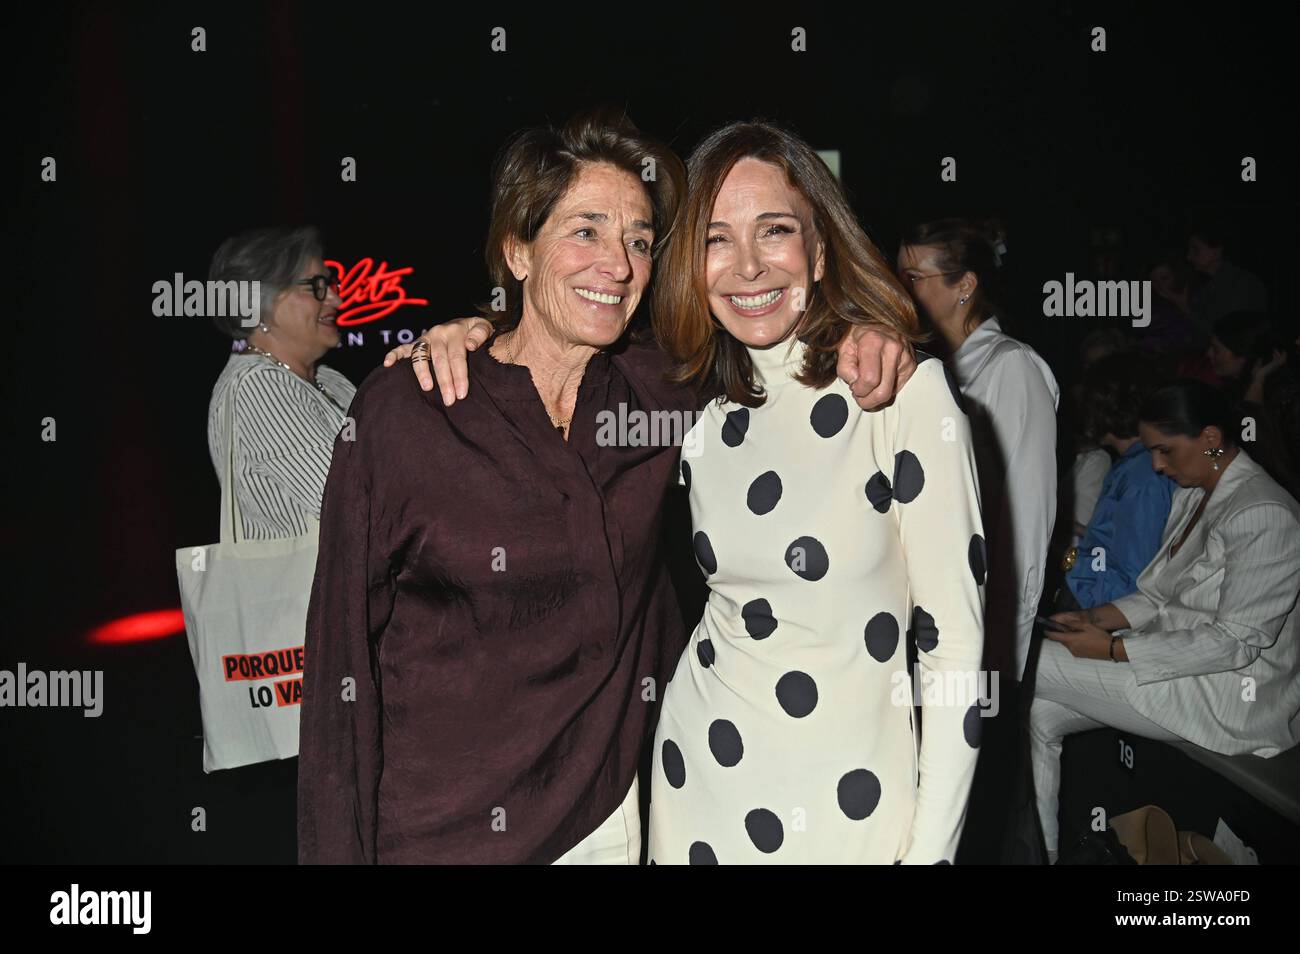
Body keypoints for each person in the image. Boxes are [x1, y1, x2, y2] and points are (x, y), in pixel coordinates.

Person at [299, 110, 915, 865]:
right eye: (585, 231)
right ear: (517, 251)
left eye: (638, 241)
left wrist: (859, 330)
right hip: (437, 833)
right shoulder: (410, 414)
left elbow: (772, 335)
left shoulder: (659, 394)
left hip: (601, 824)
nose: (618, 265)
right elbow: (338, 663)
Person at [644, 122, 985, 864]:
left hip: (850, 812)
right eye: (714, 239)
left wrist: (932, 857)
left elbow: (954, 649)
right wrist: (469, 332)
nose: (746, 267)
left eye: (774, 230)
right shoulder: (697, 406)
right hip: (697, 784)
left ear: (821, 249)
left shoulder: (901, 393)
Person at [1032, 380, 1300, 864]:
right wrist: (1094, 618)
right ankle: (1044, 855)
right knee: (1036, 714)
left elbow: (1232, 644)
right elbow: (1157, 594)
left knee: (1024, 664)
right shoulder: (1195, 493)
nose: (1156, 465)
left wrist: (1113, 648)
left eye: (1164, 450)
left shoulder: (1265, 512)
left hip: (1231, 697)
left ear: (1211, 438)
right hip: (1178, 666)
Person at [897, 219, 1059, 684]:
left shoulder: (1011, 367)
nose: (900, 289)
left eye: (915, 277)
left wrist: (1008, 628)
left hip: (978, 599)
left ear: (964, 285)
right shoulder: (925, 365)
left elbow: (1028, 509)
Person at [207, 226, 354, 540]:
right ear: (261, 303)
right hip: (310, 590)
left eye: (330, 283)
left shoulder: (329, 379)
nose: (336, 299)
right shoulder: (258, 387)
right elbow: (351, 502)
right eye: (316, 286)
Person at [1062, 353, 1175, 610]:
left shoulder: (1143, 473)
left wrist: (1092, 620)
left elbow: (1133, 576)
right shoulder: (1131, 466)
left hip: (1101, 614)